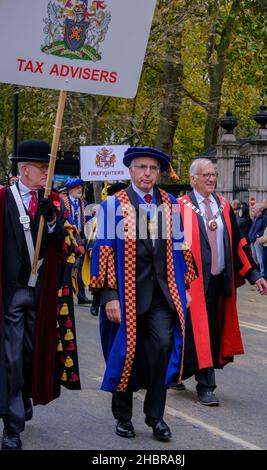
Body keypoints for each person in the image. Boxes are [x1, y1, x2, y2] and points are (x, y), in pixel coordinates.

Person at [90, 147, 197, 441]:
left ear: (159, 172)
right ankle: (123, 416)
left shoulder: (170, 203)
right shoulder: (113, 205)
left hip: (163, 293)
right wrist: (110, 294)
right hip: (127, 294)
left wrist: (184, 287)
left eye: (152, 168)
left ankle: (155, 416)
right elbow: (105, 249)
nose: (147, 173)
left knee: (162, 349)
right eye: (141, 167)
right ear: (130, 170)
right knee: (125, 353)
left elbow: (179, 246)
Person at [0, 139, 80, 450]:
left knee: (35, 353)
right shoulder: (4, 198)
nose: (48, 173)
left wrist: (55, 222)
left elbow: (67, 246)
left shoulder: (54, 203)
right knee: (12, 355)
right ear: (24, 169)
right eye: (43, 168)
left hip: (44, 293)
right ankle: (12, 424)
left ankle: (23, 395)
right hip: (12, 293)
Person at [176, 158, 267, 406]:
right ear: (193, 178)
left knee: (210, 332)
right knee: (189, 332)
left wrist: (254, 274)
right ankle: (195, 380)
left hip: (218, 280)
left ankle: (203, 383)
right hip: (189, 283)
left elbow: (239, 245)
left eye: (214, 174)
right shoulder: (179, 207)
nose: (211, 178)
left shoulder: (224, 206)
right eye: (205, 174)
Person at [63, 177, 91, 304]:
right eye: (77, 187)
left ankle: (81, 295)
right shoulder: (63, 201)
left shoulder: (83, 203)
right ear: (70, 190)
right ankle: (66, 292)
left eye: (81, 187)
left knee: (80, 267)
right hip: (68, 237)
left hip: (81, 236)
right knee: (69, 267)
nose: (80, 189)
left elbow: (88, 220)